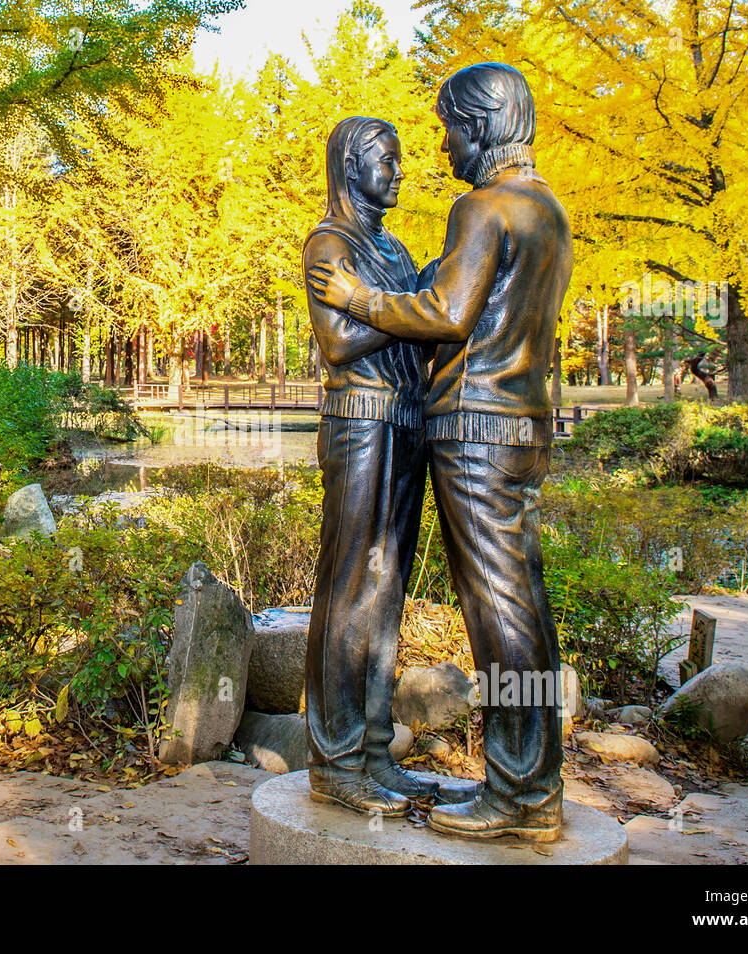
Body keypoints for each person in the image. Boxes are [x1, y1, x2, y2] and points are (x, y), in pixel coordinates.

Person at [309, 64, 574, 841]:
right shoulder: (546, 207)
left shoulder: (483, 208)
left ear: (483, 123)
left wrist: (360, 300)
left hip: (476, 425)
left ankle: (521, 790)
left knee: (499, 612)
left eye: (452, 128)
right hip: (512, 423)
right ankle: (524, 781)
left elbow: (450, 311)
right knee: (515, 604)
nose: (444, 147)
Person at [302, 116, 479, 816]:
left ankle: (375, 750)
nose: (401, 171)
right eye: (387, 160)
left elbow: (424, 327)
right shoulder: (331, 241)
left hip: (405, 423)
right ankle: (336, 761)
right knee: (351, 589)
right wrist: (417, 309)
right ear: (351, 164)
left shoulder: (394, 248)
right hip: (362, 425)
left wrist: (419, 298)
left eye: (402, 158)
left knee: (386, 590)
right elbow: (339, 343)